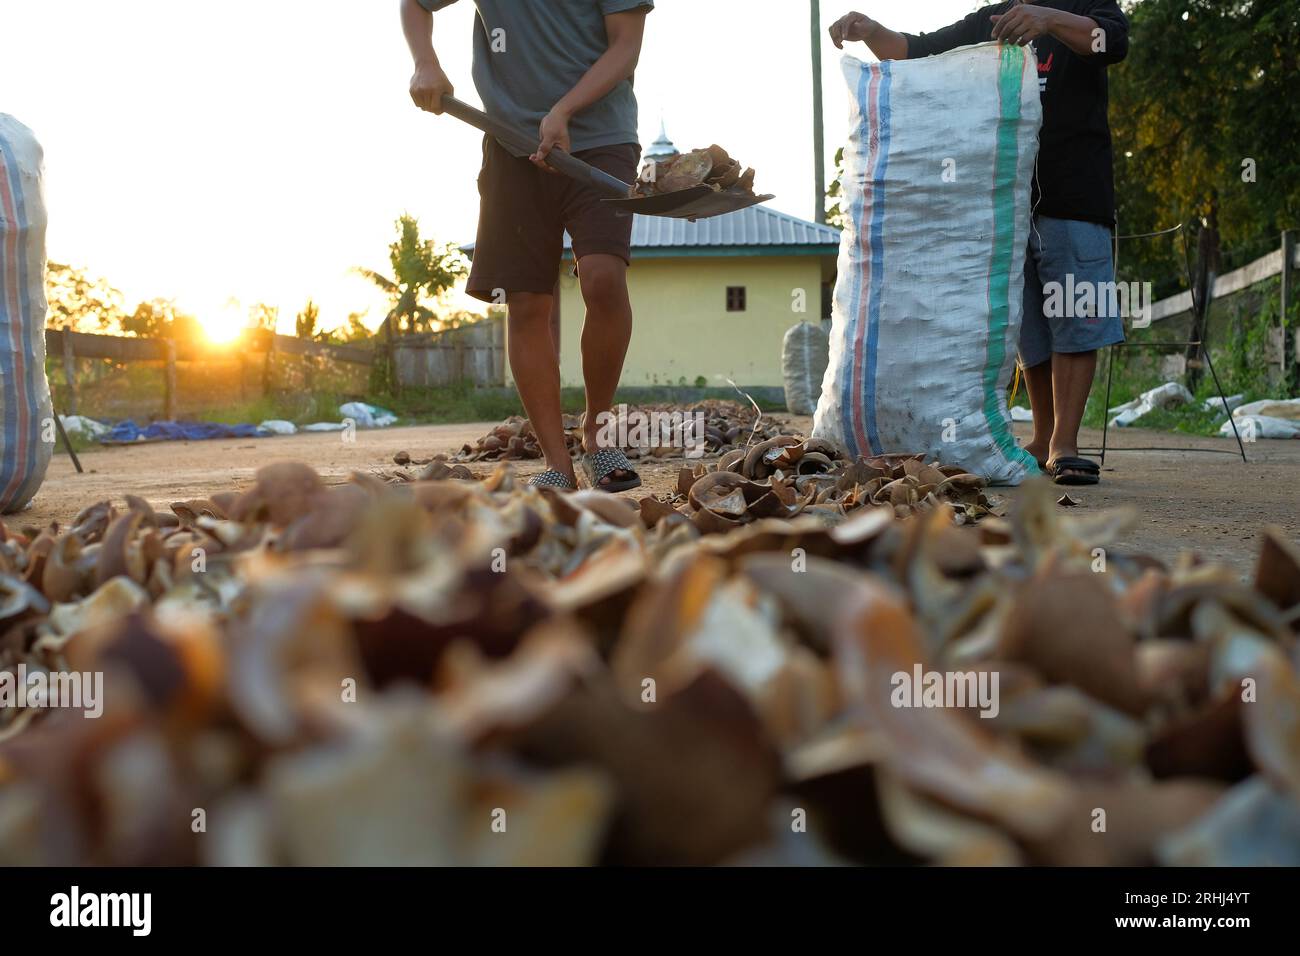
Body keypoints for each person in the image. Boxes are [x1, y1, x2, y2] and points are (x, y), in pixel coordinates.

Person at [830, 1, 1129, 485]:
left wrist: (1049, 20)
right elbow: (919, 51)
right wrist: (872, 31)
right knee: (1029, 326)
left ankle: (1066, 444)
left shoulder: (1086, 5)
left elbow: (1110, 42)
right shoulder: (997, 17)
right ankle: (1043, 435)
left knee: (1076, 317)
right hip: (1006, 202)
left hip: (1074, 195)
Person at [401, 0, 653, 491]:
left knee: (603, 278)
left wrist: (563, 110)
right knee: (524, 301)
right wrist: (425, 61)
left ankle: (597, 437)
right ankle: (558, 465)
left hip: (600, 139)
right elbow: (414, 4)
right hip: (511, 143)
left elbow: (626, 46)